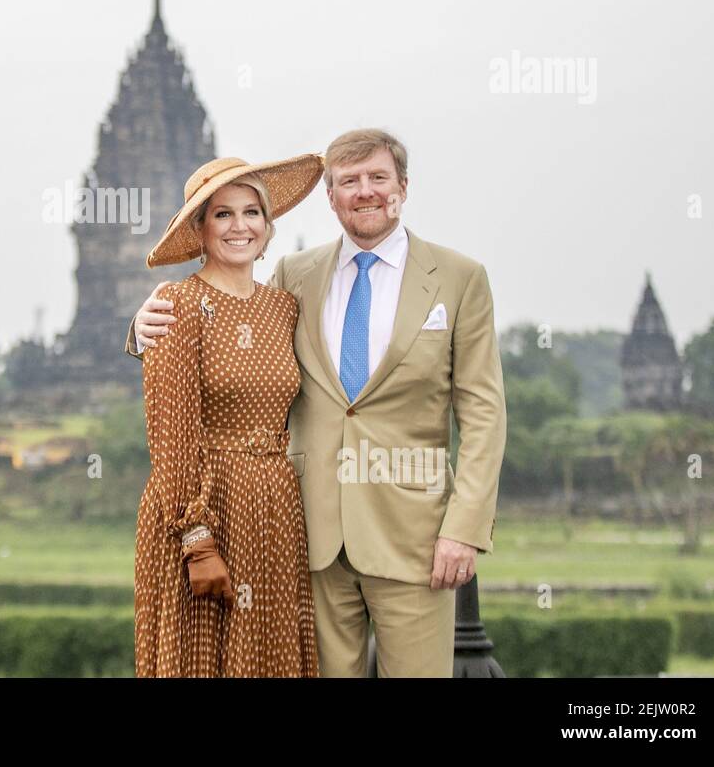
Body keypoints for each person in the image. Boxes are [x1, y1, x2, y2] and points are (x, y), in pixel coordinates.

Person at [129, 128, 507, 677]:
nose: (364, 191)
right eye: (348, 181)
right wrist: (140, 332)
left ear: (403, 186)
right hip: (306, 536)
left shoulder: (457, 278)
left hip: (411, 537)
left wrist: (464, 528)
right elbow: (201, 346)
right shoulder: (297, 279)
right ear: (330, 197)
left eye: (378, 178)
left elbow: (484, 413)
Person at [133, 152, 323, 677]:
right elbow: (170, 431)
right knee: (204, 658)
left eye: (251, 212)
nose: (239, 226)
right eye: (222, 214)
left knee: (271, 652)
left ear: (268, 225)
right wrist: (196, 539)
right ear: (200, 228)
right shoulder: (178, 304)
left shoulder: (284, 308)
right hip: (202, 503)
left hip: (275, 505)